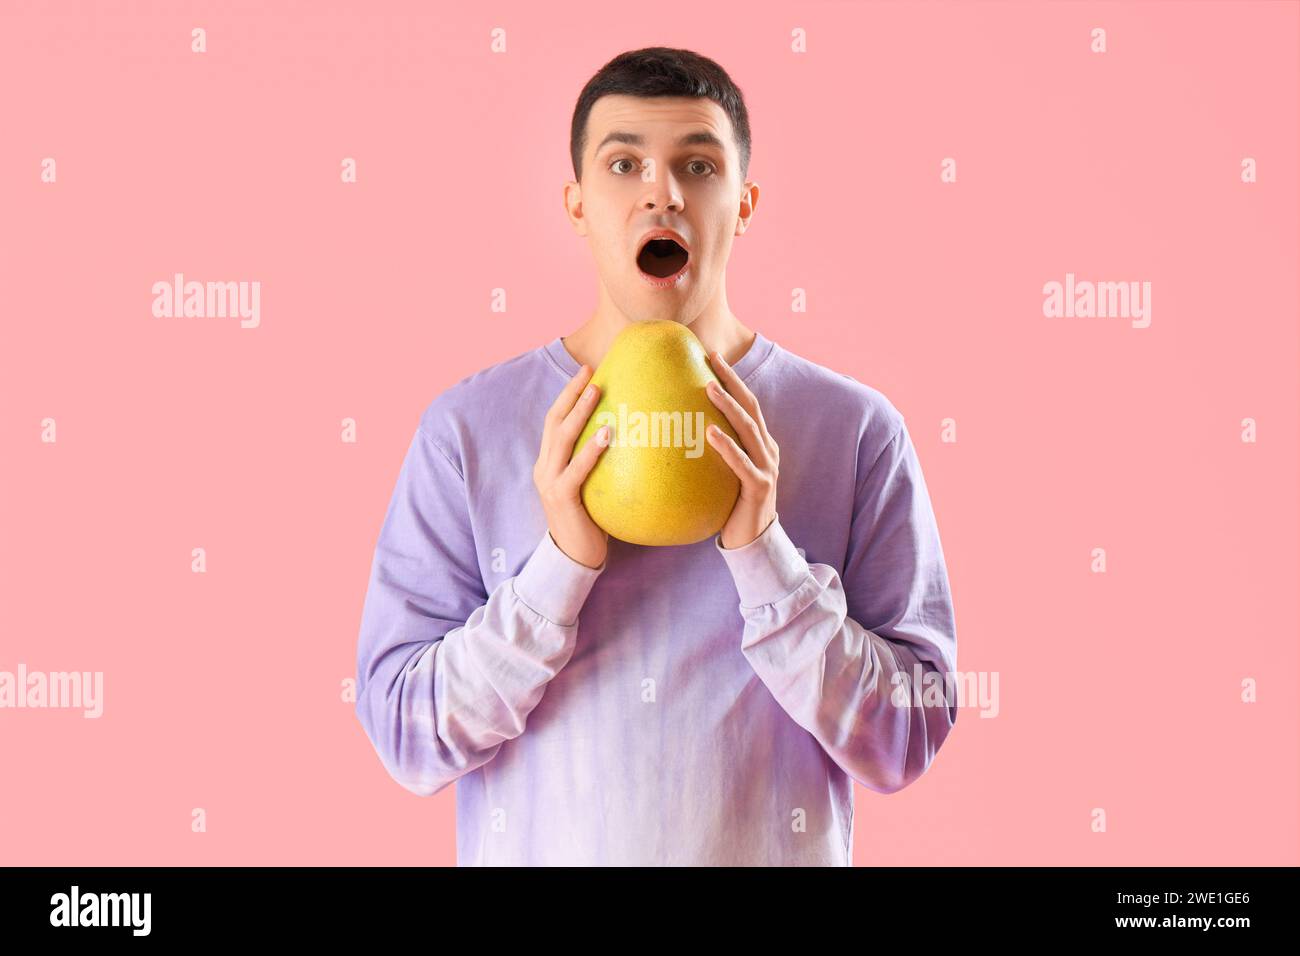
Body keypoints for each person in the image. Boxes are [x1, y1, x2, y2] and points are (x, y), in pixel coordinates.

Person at [354, 47, 958, 866]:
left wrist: (765, 558)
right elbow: (404, 735)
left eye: (698, 165)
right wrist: (558, 570)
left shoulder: (856, 430)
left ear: (743, 204)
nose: (662, 191)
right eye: (624, 162)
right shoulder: (467, 430)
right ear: (577, 204)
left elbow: (909, 734)